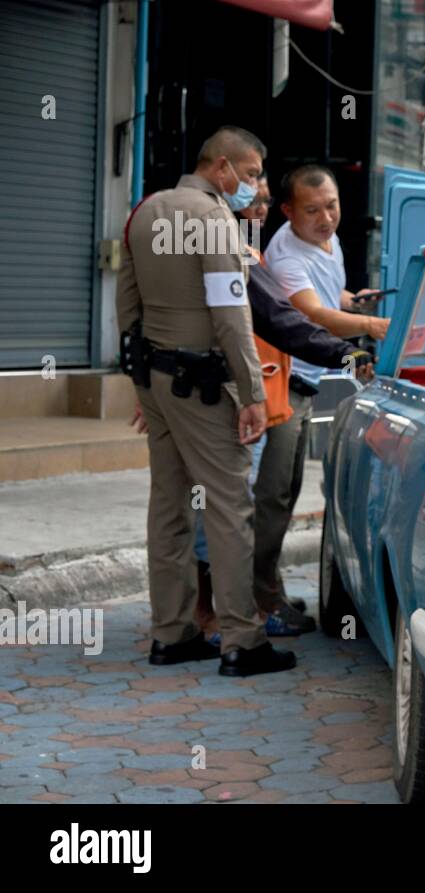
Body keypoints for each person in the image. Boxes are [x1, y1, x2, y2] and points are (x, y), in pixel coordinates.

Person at [118, 125, 295, 677]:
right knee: (227, 506)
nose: (255, 185)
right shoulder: (215, 219)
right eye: (251, 174)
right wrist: (251, 394)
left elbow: (128, 307)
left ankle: (171, 634)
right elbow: (230, 315)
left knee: (168, 506)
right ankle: (242, 640)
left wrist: (141, 386)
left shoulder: (144, 211)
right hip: (203, 383)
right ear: (221, 168)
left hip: (157, 378)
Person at [180, 176, 374, 639]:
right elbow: (294, 320)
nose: (260, 207)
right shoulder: (247, 253)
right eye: (255, 197)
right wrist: (361, 340)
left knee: (265, 499)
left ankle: (246, 602)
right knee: (250, 503)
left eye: (264, 198)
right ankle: (236, 610)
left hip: (275, 389)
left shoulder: (252, 250)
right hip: (252, 394)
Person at [258, 165, 389, 634]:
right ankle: (262, 606)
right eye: (312, 210)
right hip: (283, 388)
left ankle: (266, 589)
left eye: (331, 205)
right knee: (271, 497)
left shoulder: (327, 242)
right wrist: (373, 328)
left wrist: (352, 301)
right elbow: (312, 313)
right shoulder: (286, 254)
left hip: (307, 387)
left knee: (285, 495)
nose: (326, 218)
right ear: (289, 211)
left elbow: (329, 298)